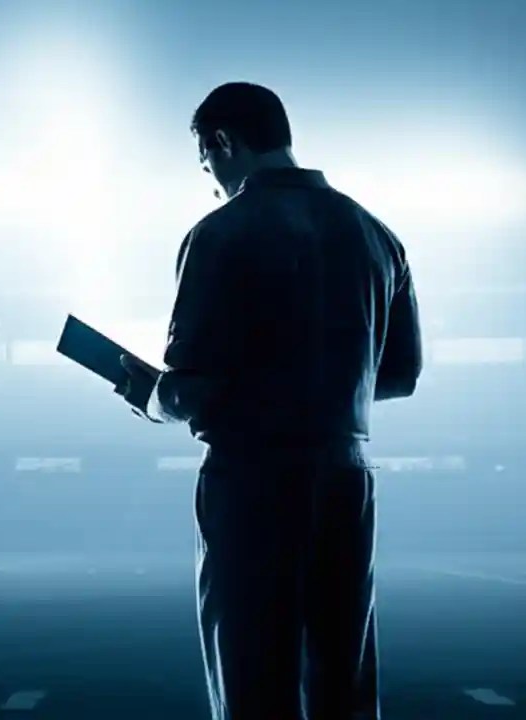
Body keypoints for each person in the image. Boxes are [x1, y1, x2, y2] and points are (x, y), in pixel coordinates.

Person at [115, 81, 422, 720]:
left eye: (209, 163)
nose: (214, 180)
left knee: (251, 676)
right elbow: (399, 377)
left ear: (223, 141)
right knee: (342, 678)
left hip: (250, 480)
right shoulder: (377, 236)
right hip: (346, 477)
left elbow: (192, 387)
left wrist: (150, 396)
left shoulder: (221, 234)